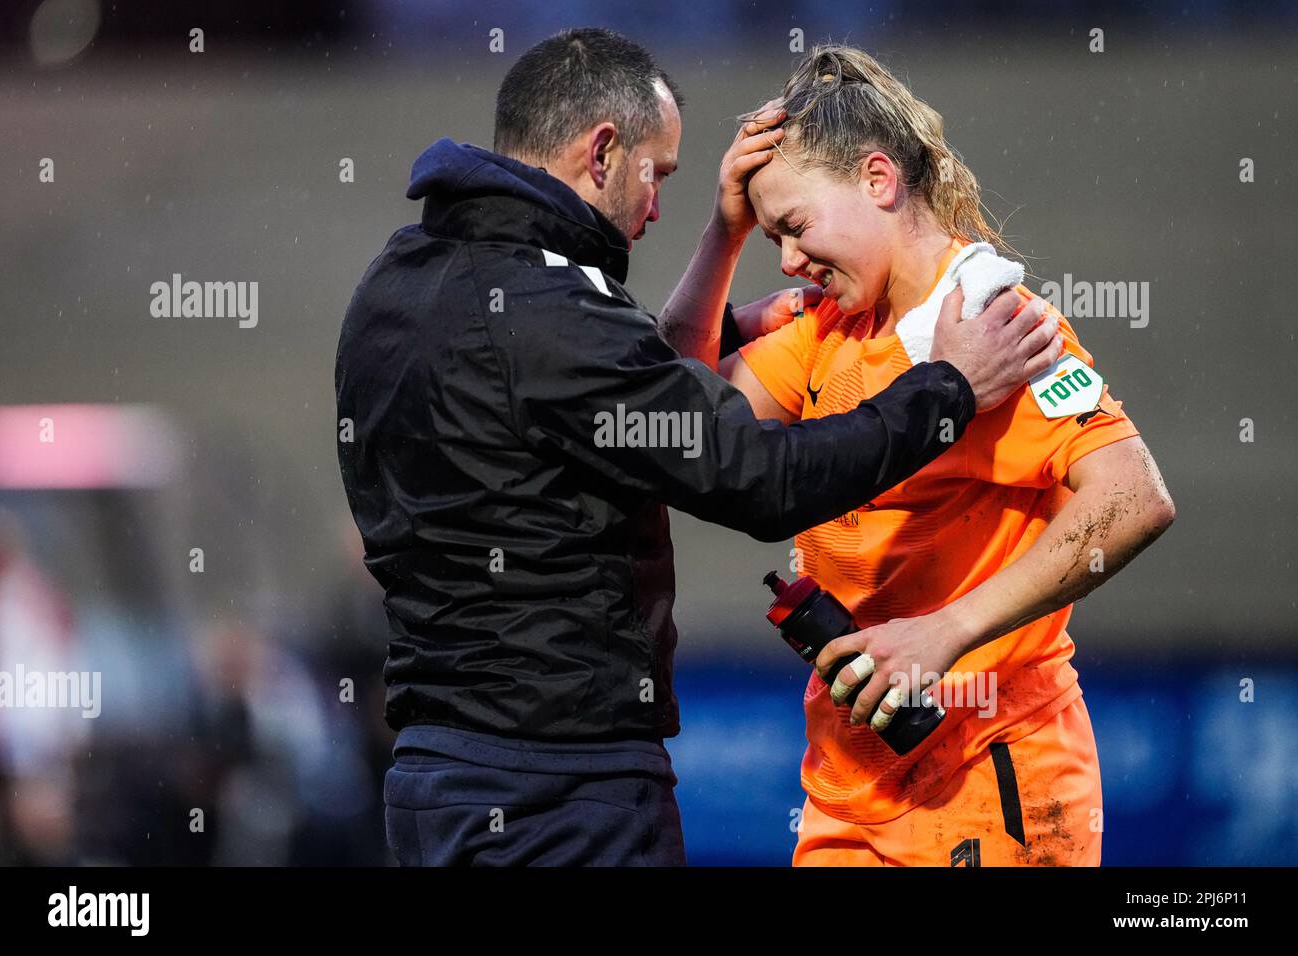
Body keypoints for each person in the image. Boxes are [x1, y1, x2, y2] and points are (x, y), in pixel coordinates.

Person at [334, 28, 1061, 866]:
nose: (656, 207)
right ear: (603, 152)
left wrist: (722, 241)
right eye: (659, 174)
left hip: (428, 779)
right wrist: (950, 389)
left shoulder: (395, 282)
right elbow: (761, 479)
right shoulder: (553, 315)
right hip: (563, 794)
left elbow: (604, 389)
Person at [669, 44, 1175, 866]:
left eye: (793, 227)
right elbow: (679, 427)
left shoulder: (995, 327)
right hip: (845, 787)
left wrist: (947, 632)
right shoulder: (824, 326)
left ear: (878, 180)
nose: (789, 259)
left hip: (993, 777)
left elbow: (1136, 494)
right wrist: (722, 237)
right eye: (769, 239)